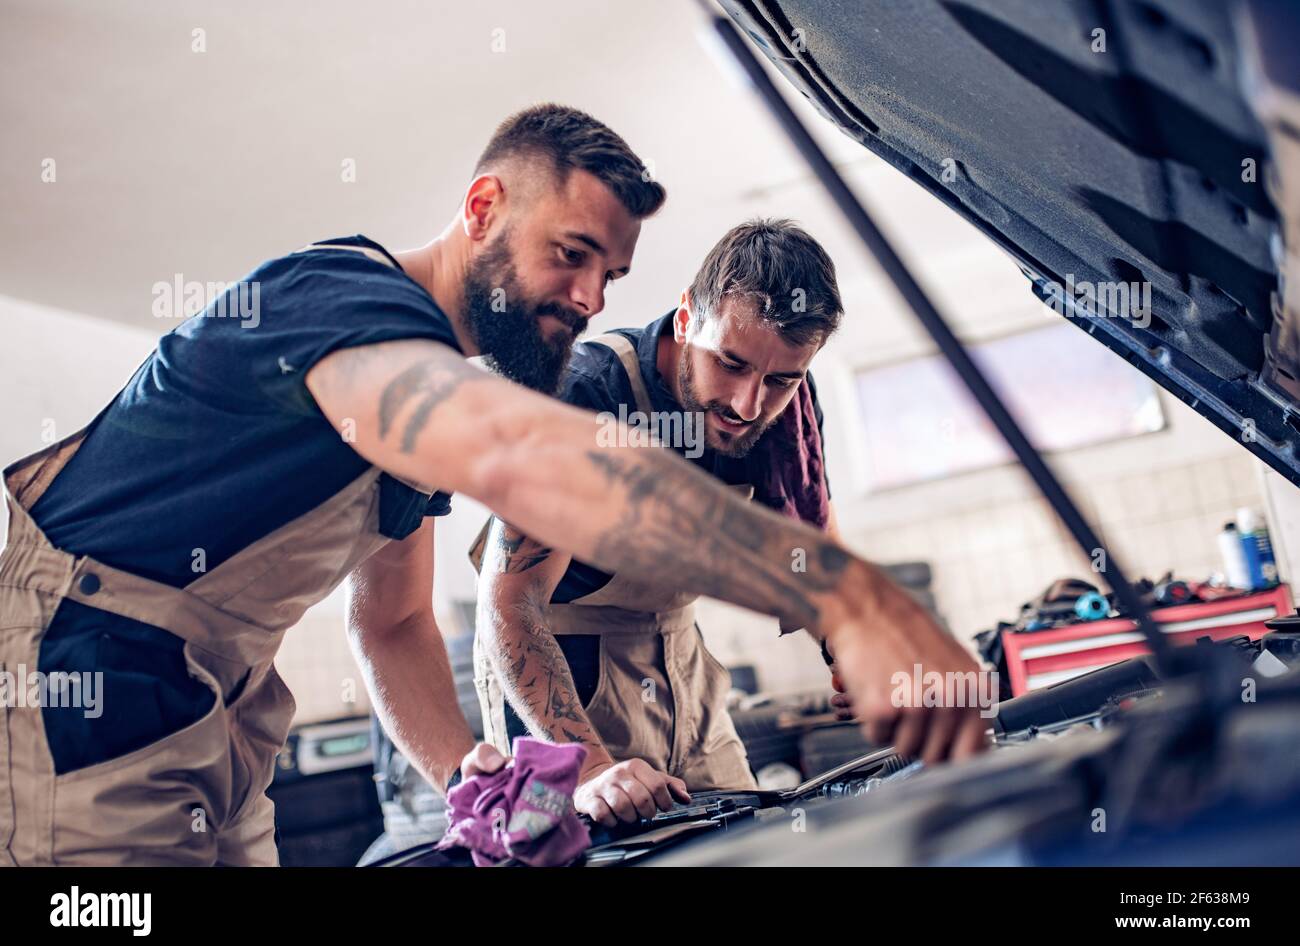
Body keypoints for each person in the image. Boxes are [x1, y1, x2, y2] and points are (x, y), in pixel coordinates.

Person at [0, 104, 984, 866]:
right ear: (482, 209)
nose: (592, 299)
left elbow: (390, 624)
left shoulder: (421, 395)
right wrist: (842, 590)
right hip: (77, 678)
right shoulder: (336, 300)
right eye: (571, 254)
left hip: (220, 713)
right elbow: (515, 453)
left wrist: (466, 780)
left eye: (610, 271)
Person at [474, 219, 856, 825]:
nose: (746, 404)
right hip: (562, 668)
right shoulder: (580, 401)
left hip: (682, 660)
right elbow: (509, 607)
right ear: (686, 318)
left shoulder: (784, 413)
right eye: (729, 363)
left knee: (747, 839)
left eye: (782, 379)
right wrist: (591, 770)